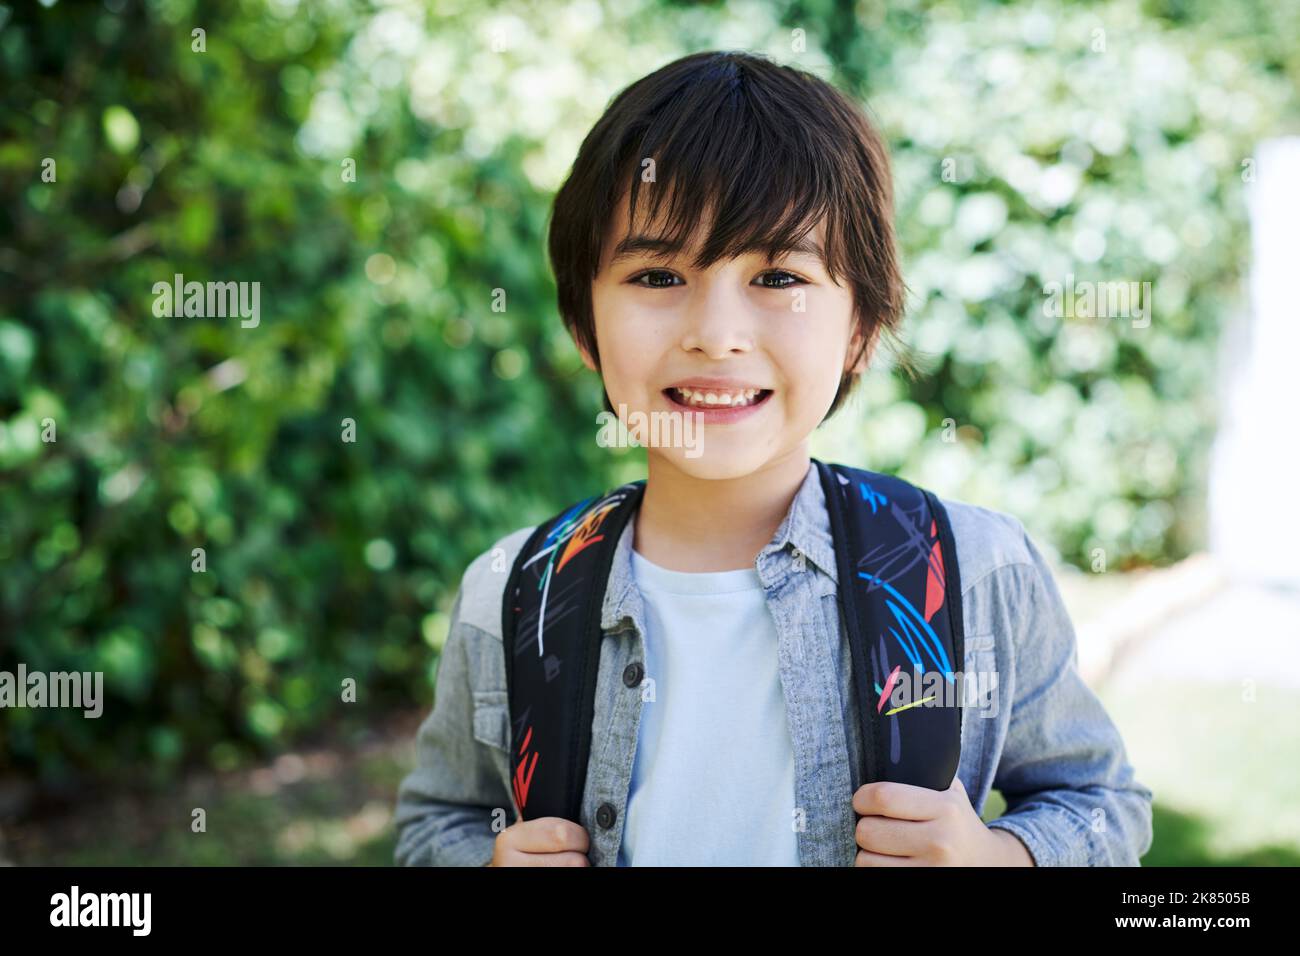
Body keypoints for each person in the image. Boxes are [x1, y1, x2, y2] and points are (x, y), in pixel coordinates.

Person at [394, 49, 1154, 867]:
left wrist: (1003, 856)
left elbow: (1100, 799)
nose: (716, 334)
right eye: (657, 274)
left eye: (778, 274)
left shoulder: (974, 571)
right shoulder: (515, 591)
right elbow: (440, 818)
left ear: (859, 324)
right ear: (585, 325)